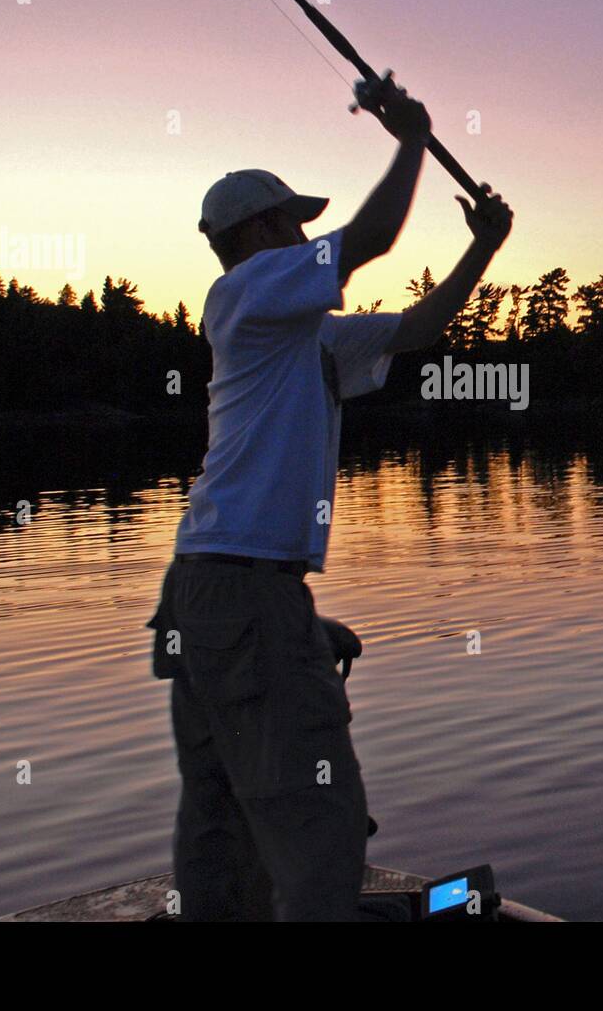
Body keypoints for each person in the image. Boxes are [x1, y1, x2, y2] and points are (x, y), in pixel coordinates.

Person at [147, 73, 513, 920]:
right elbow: (374, 239)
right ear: (262, 231)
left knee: (222, 818)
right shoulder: (245, 294)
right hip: (240, 598)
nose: (309, 234)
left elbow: (416, 330)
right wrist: (412, 136)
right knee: (321, 824)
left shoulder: (301, 338)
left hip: (211, 594)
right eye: (296, 222)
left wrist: (482, 249)